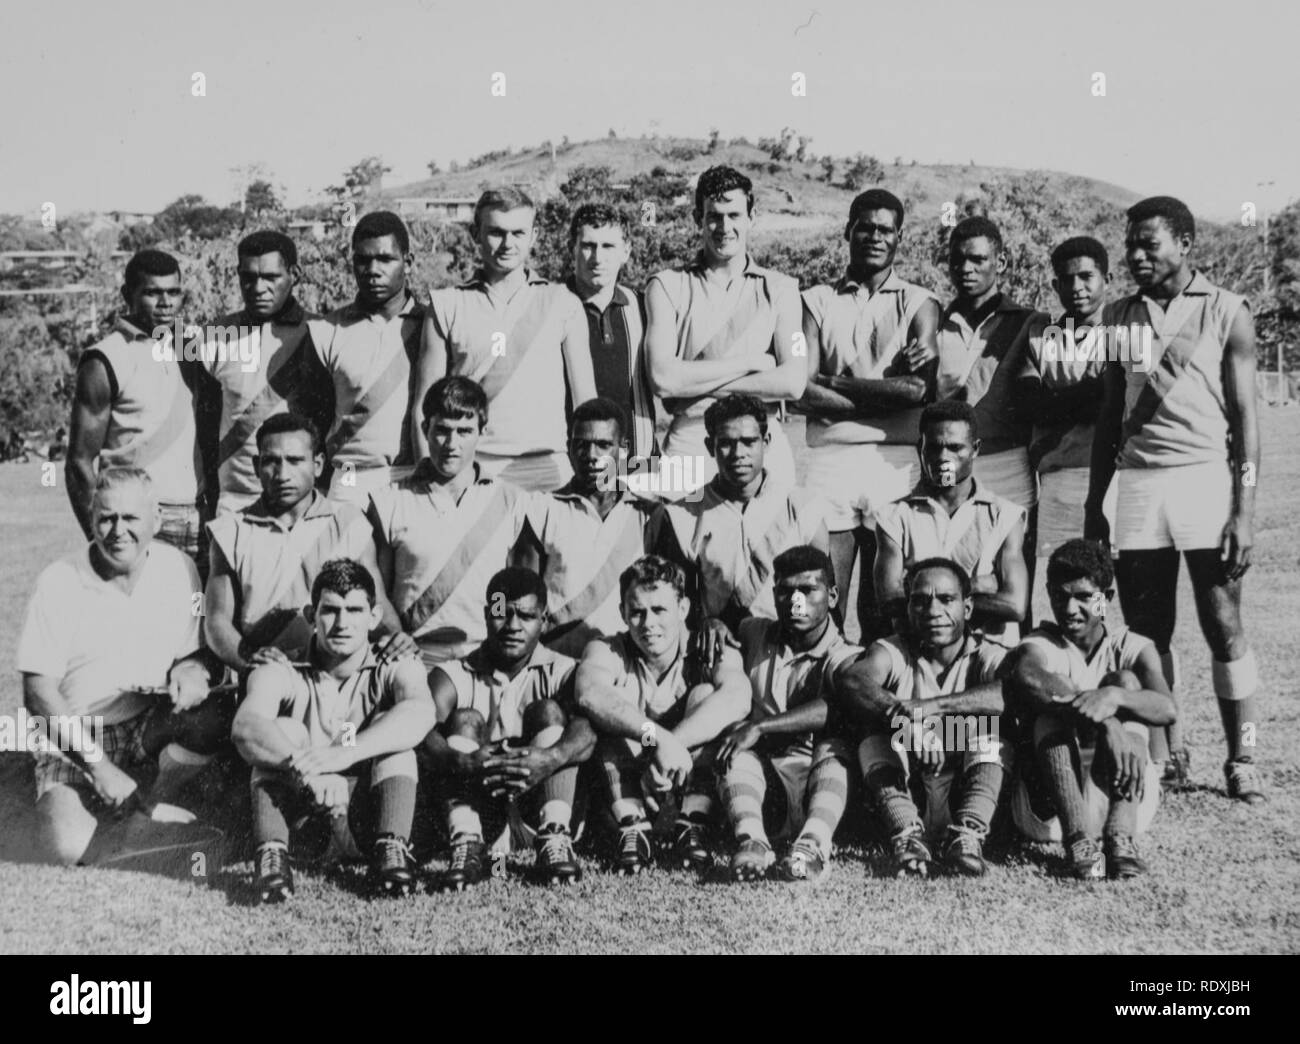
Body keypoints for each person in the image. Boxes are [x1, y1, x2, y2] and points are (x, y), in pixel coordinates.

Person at [1086, 195, 1264, 803]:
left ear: (1185, 244)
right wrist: (1094, 505)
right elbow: (1110, 416)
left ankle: (1244, 756)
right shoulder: (1116, 317)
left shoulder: (1228, 310)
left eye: (1149, 243)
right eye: (1129, 244)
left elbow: (1245, 419)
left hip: (1205, 480)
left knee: (1223, 624)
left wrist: (1242, 509)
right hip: (1138, 487)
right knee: (1146, 629)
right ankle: (1170, 750)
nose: (1135, 255)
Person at [16, 467, 231, 865]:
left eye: (131, 518)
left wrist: (191, 670)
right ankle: (132, 809)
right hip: (77, 733)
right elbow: (37, 693)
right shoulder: (58, 580)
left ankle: (151, 800)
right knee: (66, 847)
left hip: (143, 722)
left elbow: (196, 653)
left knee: (213, 717)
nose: (118, 530)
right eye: (106, 517)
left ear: (157, 521)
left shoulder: (179, 567)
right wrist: (99, 768)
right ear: (91, 516)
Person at [233, 558, 437, 902]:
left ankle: (391, 850)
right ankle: (272, 857)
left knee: (394, 736)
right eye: (331, 610)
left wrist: (341, 755)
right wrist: (309, 771)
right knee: (283, 729)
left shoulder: (396, 664)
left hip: (367, 817)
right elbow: (246, 726)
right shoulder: (282, 666)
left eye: (355, 610)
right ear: (311, 614)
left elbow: (420, 711)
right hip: (304, 818)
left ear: (373, 617)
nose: (342, 623)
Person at [797, 188, 940, 637]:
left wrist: (835, 381)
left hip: (893, 462)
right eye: (866, 227)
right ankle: (829, 700)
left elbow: (918, 388)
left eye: (886, 230)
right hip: (829, 462)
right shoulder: (814, 300)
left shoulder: (921, 302)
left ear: (900, 237)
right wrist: (885, 393)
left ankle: (879, 701)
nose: (875, 237)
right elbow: (800, 386)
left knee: (886, 604)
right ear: (848, 231)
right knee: (825, 597)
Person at [1005, 539, 1175, 879]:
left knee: (1125, 683)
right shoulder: (1042, 643)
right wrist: (1107, 723)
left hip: (1121, 796)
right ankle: (1079, 840)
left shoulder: (1132, 646)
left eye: (1083, 596)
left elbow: (1166, 709)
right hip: (1051, 812)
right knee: (1049, 708)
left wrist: (1115, 697)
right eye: (1060, 595)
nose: (1070, 609)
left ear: (1106, 598)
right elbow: (1028, 676)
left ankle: (1120, 837)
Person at [574, 555, 751, 874]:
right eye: (637, 612)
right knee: (611, 706)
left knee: (706, 695)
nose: (649, 623)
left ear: (683, 609)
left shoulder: (707, 645)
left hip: (685, 774)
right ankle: (633, 828)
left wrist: (671, 745)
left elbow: (738, 697)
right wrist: (657, 740)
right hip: (630, 780)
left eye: (660, 610)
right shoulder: (608, 648)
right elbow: (589, 693)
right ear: (622, 613)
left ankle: (691, 823)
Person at [833, 558, 1008, 877]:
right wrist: (902, 719)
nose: (933, 610)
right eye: (920, 600)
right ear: (908, 607)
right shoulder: (893, 650)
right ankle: (908, 836)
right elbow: (853, 680)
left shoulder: (985, 653)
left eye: (946, 599)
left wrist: (932, 707)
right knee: (873, 730)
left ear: (967, 608)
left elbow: (1008, 692)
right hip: (906, 789)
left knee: (990, 730)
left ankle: (967, 834)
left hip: (963, 788)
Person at [423, 568, 595, 889]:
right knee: (465, 719)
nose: (513, 626)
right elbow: (417, 728)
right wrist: (456, 759)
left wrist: (551, 757)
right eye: (502, 613)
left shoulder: (564, 670)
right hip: (479, 806)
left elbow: (590, 731)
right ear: (488, 615)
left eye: (526, 616)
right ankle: (466, 842)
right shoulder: (454, 672)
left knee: (548, 711)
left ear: (544, 621)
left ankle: (555, 838)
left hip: (537, 807)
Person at [418, 187, 596, 491]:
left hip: (548, 470)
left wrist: (597, 484)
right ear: (475, 233)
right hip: (471, 470)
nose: (507, 244)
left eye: (518, 233)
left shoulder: (562, 303)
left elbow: (588, 405)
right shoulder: (446, 304)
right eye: (496, 232)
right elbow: (424, 404)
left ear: (534, 235)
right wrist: (429, 482)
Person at [645, 165, 805, 495]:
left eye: (734, 215)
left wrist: (690, 383)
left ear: (752, 216)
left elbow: (792, 381)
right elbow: (662, 378)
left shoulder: (782, 289)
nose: (724, 227)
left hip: (762, 437)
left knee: (772, 542)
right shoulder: (667, 285)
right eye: (714, 216)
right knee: (682, 539)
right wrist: (752, 362)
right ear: (697, 218)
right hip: (692, 437)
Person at [204, 413, 405, 672]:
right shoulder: (230, 531)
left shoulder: (350, 523)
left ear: (318, 464)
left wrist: (398, 638)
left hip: (335, 676)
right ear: (256, 466)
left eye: (295, 460)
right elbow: (216, 622)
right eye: (271, 462)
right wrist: (254, 663)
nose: (282, 474)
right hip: (263, 678)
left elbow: (376, 602)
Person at [717, 546, 861, 883]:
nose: (796, 602)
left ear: (833, 595)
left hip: (821, 785)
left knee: (835, 745)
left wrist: (761, 725)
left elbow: (838, 704)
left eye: (808, 590)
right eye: (785, 591)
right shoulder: (754, 632)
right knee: (737, 750)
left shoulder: (847, 654)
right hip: (764, 788)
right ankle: (753, 839)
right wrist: (713, 623)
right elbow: (726, 621)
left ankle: (812, 845)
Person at [368, 376, 532, 668]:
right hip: (412, 655)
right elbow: (377, 587)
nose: (451, 444)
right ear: (424, 430)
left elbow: (514, 590)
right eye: (442, 430)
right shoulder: (389, 500)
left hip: (486, 656)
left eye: (464, 431)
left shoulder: (511, 501)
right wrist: (396, 635)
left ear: (482, 432)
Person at [650, 394, 828, 650]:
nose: (738, 453)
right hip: (721, 648)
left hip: (790, 646)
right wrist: (706, 622)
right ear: (710, 445)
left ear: (766, 442)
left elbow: (821, 595)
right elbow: (676, 601)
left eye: (748, 442)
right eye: (726, 443)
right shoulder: (683, 515)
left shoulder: (803, 506)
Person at [66, 249, 205, 567]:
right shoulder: (105, 358)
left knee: (196, 617)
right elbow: (78, 463)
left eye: (173, 292)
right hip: (136, 516)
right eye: (152, 293)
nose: (166, 303)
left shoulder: (194, 348)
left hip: (198, 515)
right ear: (127, 295)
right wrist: (101, 540)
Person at [193, 230, 334, 516]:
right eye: (249, 277)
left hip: (302, 500)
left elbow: (331, 419)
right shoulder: (214, 336)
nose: (258, 288)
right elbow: (205, 426)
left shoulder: (323, 334)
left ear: (294, 274)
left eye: (271, 278)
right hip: (236, 500)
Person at [936, 216, 1049, 559]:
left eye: (977, 259)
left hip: (1009, 465)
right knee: (948, 575)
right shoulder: (935, 323)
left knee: (1013, 585)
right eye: (957, 260)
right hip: (948, 464)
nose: (966, 269)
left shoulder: (1032, 321)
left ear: (1000, 263)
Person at [873, 401, 1027, 646]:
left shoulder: (1005, 515)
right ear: (919, 449)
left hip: (986, 651)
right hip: (917, 653)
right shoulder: (893, 516)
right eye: (934, 448)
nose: (944, 458)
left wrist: (919, 593)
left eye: (955, 448)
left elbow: (1015, 605)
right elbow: (890, 600)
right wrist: (976, 585)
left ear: (975, 449)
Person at [520, 397, 657, 658]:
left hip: (628, 662)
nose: (591, 456)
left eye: (603, 445)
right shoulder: (541, 509)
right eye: (581, 445)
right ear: (568, 448)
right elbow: (514, 593)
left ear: (623, 448)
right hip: (556, 661)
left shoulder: (648, 515)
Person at [1025, 237, 1116, 616]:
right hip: (1059, 477)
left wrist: (1067, 398)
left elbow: (1118, 403)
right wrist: (1095, 392)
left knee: (1109, 589)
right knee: (1060, 591)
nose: (1077, 287)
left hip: (1112, 475)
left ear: (1106, 279)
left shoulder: (1124, 330)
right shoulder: (1044, 336)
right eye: (1067, 279)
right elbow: (1034, 404)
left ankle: (1114, 674)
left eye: (1086, 276)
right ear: (1054, 286)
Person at [312, 211, 423, 506]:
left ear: (408, 263)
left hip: (412, 477)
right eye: (363, 260)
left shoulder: (432, 326)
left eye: (386, 259)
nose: (372, 269)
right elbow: (316, 416)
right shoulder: (328, 330)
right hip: (349, 479)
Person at [565, 203, 657, 461]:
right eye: (588, 246)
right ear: (572, 248)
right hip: (574, 468)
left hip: (641, 464)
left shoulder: (643, 306)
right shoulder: (553, 306)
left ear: (626, 251)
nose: (597, 258)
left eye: (608, 246)